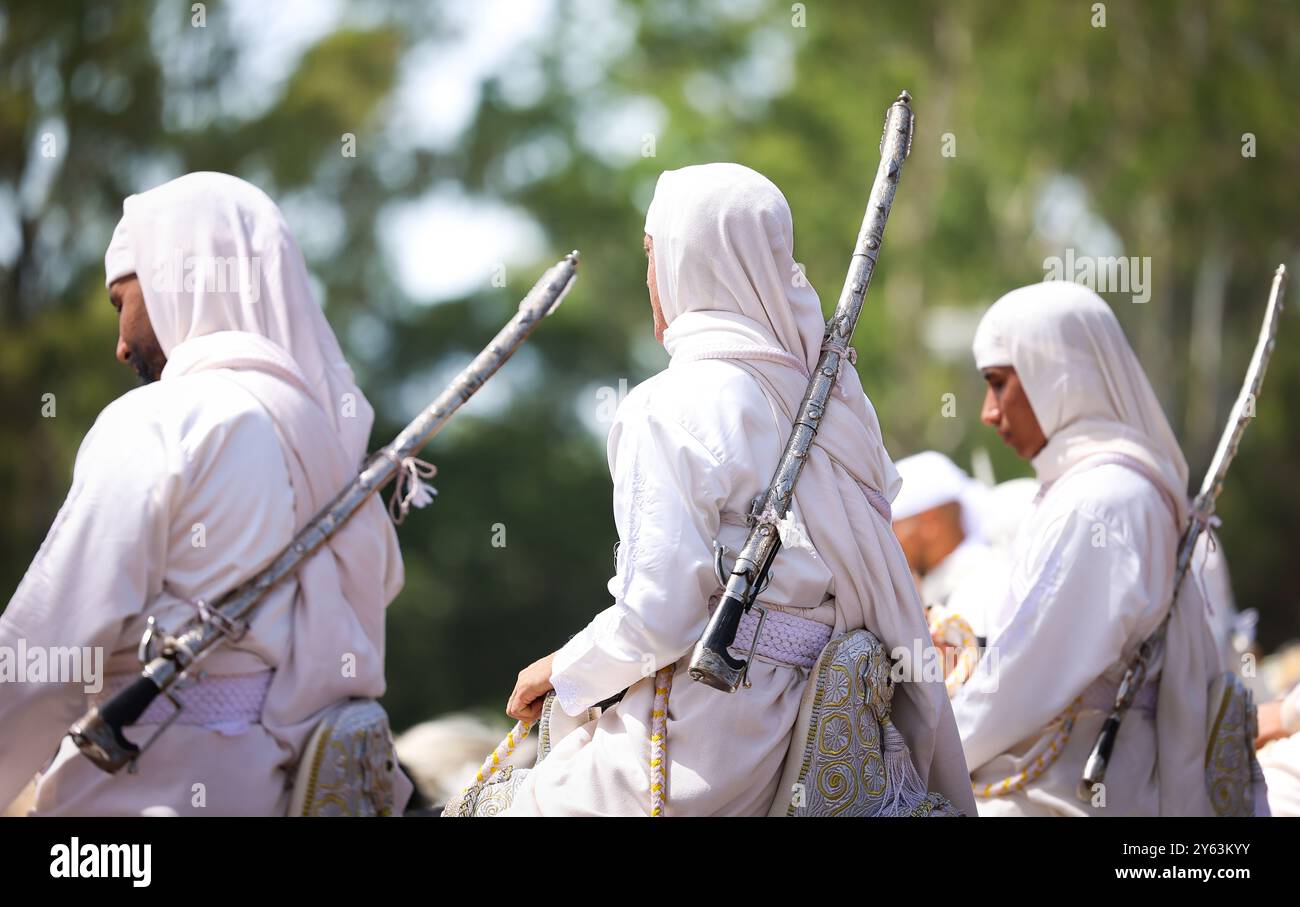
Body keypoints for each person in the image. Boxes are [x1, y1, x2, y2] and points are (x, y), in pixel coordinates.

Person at [466, 163, 972, 816]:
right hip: (810, 735)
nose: (651, 278)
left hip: (699, 743)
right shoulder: (836, 408)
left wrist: (563, 670)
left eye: (654, 254)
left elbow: (659, 616)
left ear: (686, 259)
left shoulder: (671, 403)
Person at [0, 172, 408, 815]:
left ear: (177, 279)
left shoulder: (162, 419)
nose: (121, 344)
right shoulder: (333, 443)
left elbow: (46, 656)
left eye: (120, 303)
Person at [950, 280, 1223, 816]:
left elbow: (1025, 678)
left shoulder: (1103, 501)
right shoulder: (1095, 488)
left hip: (1070, 788)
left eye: (998, 384)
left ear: (1058, 376)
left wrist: (925, 750)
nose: (988, 411)